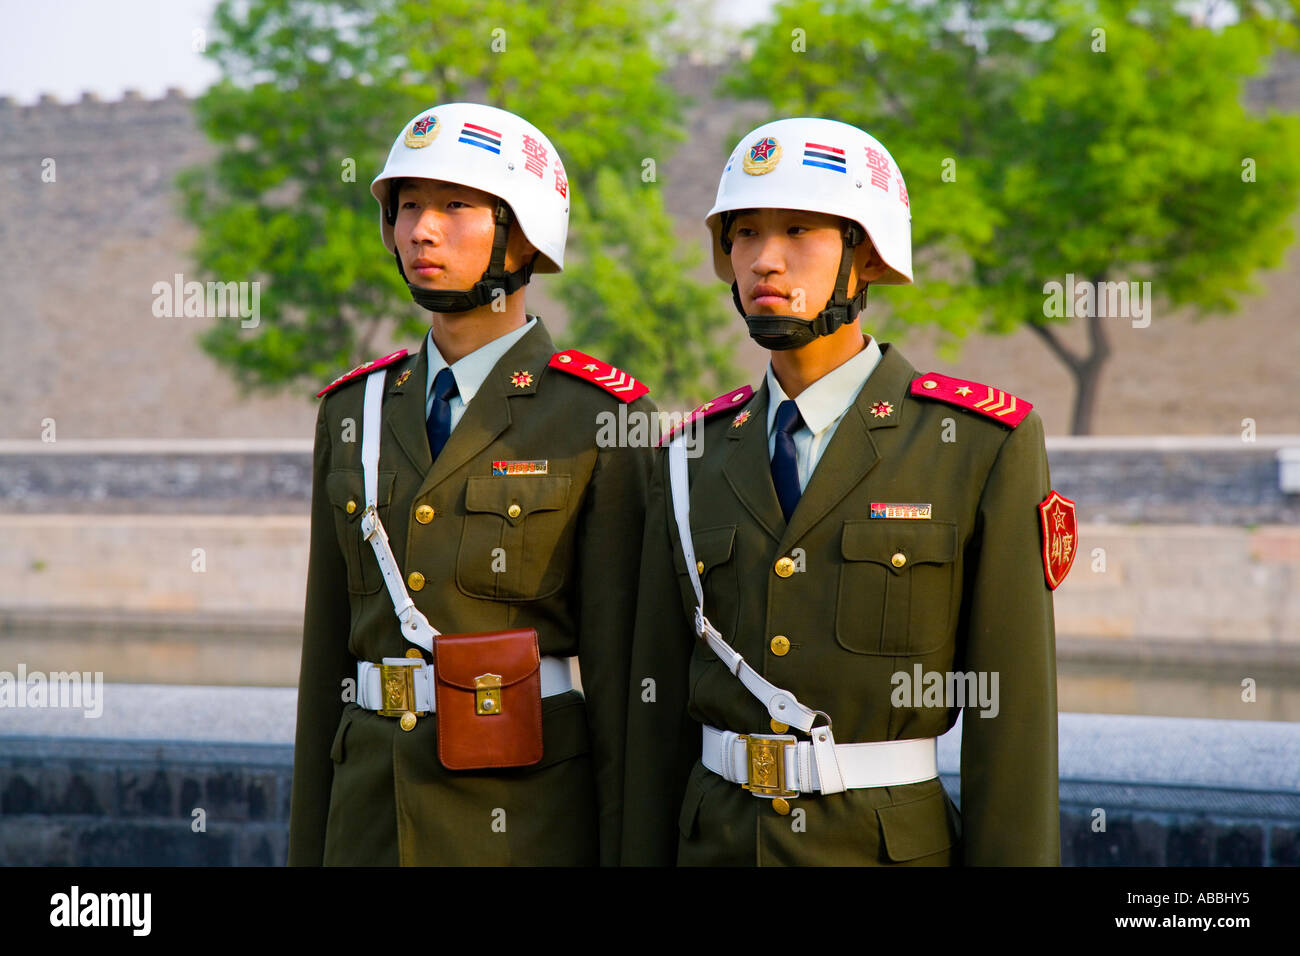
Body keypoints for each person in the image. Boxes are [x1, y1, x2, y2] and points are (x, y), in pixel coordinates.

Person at [621, 117, 1073, 866]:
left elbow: (1015, 724)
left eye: (799, 230)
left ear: (863, 254)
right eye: (744, 234)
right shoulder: (686, 456)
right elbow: (655, 720)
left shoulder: (978, 446)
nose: (766, 260)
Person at [288, 103, 655, 866]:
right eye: (409, 207)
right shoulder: (352, 410)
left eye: (455, 207)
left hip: (522, 826)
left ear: (522, 233)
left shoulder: (599, 419)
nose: (422, 230)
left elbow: (624, 695)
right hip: (368, 821)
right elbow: (326, 667)